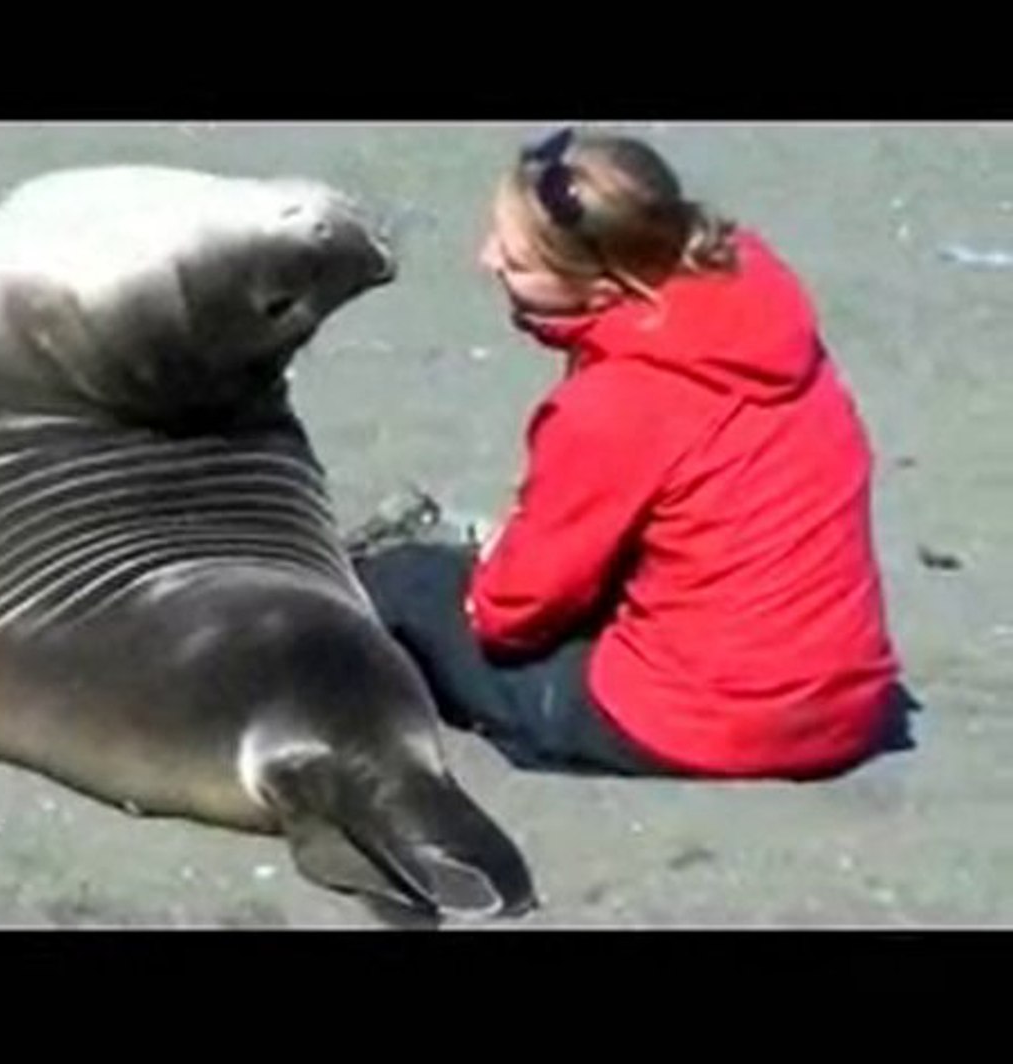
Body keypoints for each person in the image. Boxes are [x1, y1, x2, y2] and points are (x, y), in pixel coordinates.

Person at [352, 127, 902, 780]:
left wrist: (486, 576)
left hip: (705, 723)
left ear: (606, 285)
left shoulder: (619, 404)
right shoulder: (756, 309)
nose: (487, 259)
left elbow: (513, 615)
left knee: (399, 581)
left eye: (519, 259)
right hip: (845, 708)